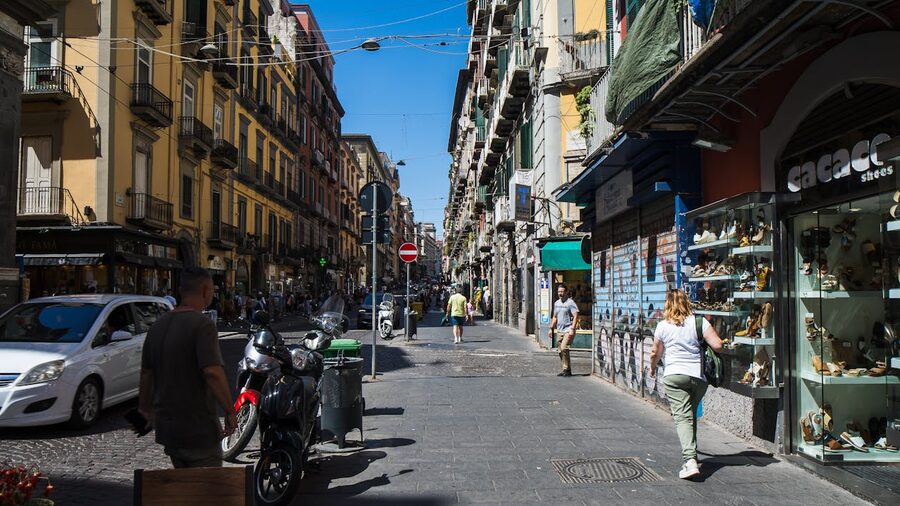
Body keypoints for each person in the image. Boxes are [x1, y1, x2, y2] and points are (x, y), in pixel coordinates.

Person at [139, 267, 237, 468]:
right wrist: (230, 410)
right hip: (198, 428)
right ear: (205, 291)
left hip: (169, 430)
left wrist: (145, 410)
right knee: (205, 493)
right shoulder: (203, 325)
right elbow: (212, 372)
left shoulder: (157, 326)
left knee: (183, 486)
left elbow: (146, 374)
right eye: (212, 290)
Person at [649, 289, 724, 480]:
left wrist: (651, 368)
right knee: (689, 414)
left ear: (667, 304)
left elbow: (655, 352)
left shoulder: (663, 326)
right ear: (686, 302)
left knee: (682, 417)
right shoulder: (699, 322)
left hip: (674, 376)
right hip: (698, 377)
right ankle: (693, 453)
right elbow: (717, 345)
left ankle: (690, 461)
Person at [549, 284, 579, 377]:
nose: (560, 293)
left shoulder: (570, 303)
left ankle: (566, 369)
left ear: (566, 292)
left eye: (562, 291)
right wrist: (551, 329)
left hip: (568, 329)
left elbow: (576, 316)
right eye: (559, 292)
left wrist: (572, 329)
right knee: (560, 351)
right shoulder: (557, 303)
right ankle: (566, 369)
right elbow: (555, 317)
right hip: (559, 330)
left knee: (564, 348)